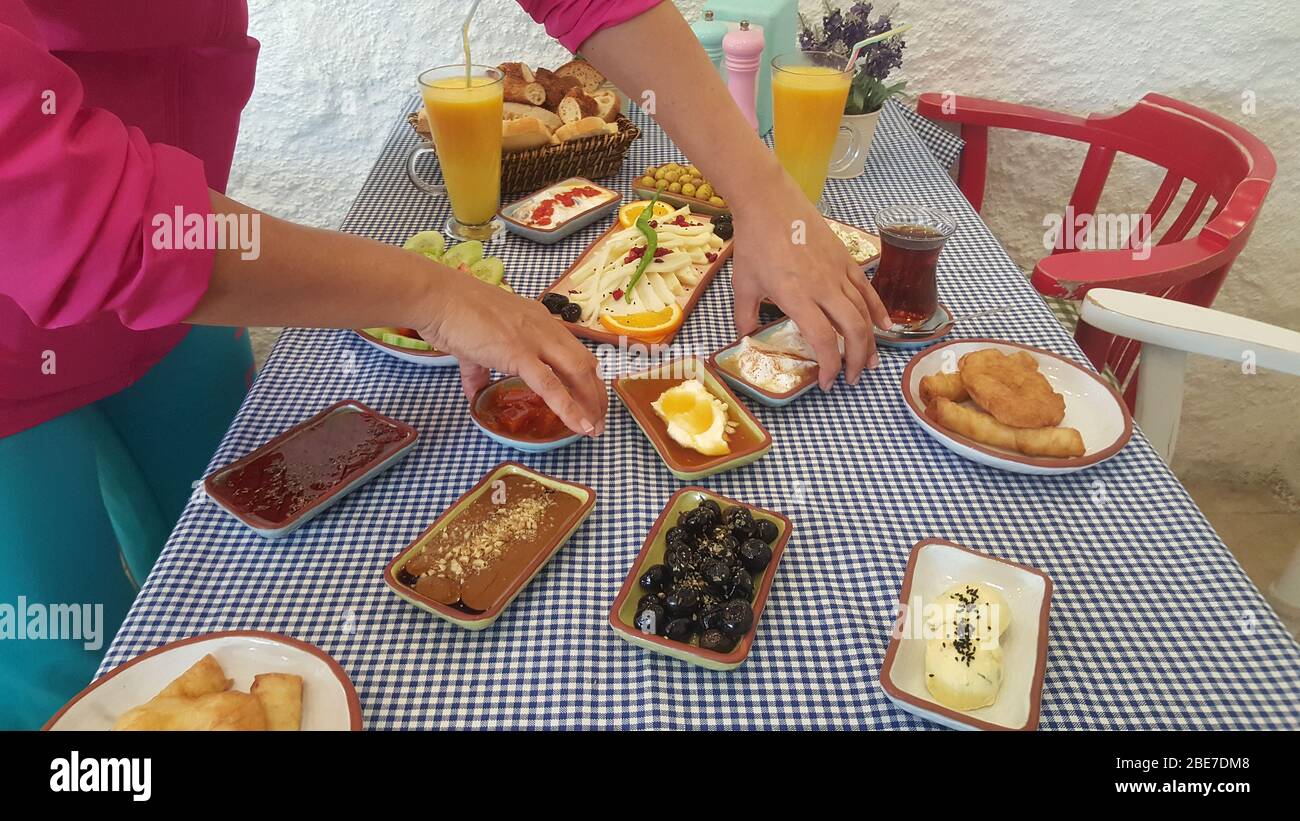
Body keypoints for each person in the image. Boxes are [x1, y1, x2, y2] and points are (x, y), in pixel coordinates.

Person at [0, 0, 885, 728]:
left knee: (226, 605)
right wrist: (437, 295)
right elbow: (83, 215)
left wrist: (766, 197)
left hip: (188, 291)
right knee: (67, 669)